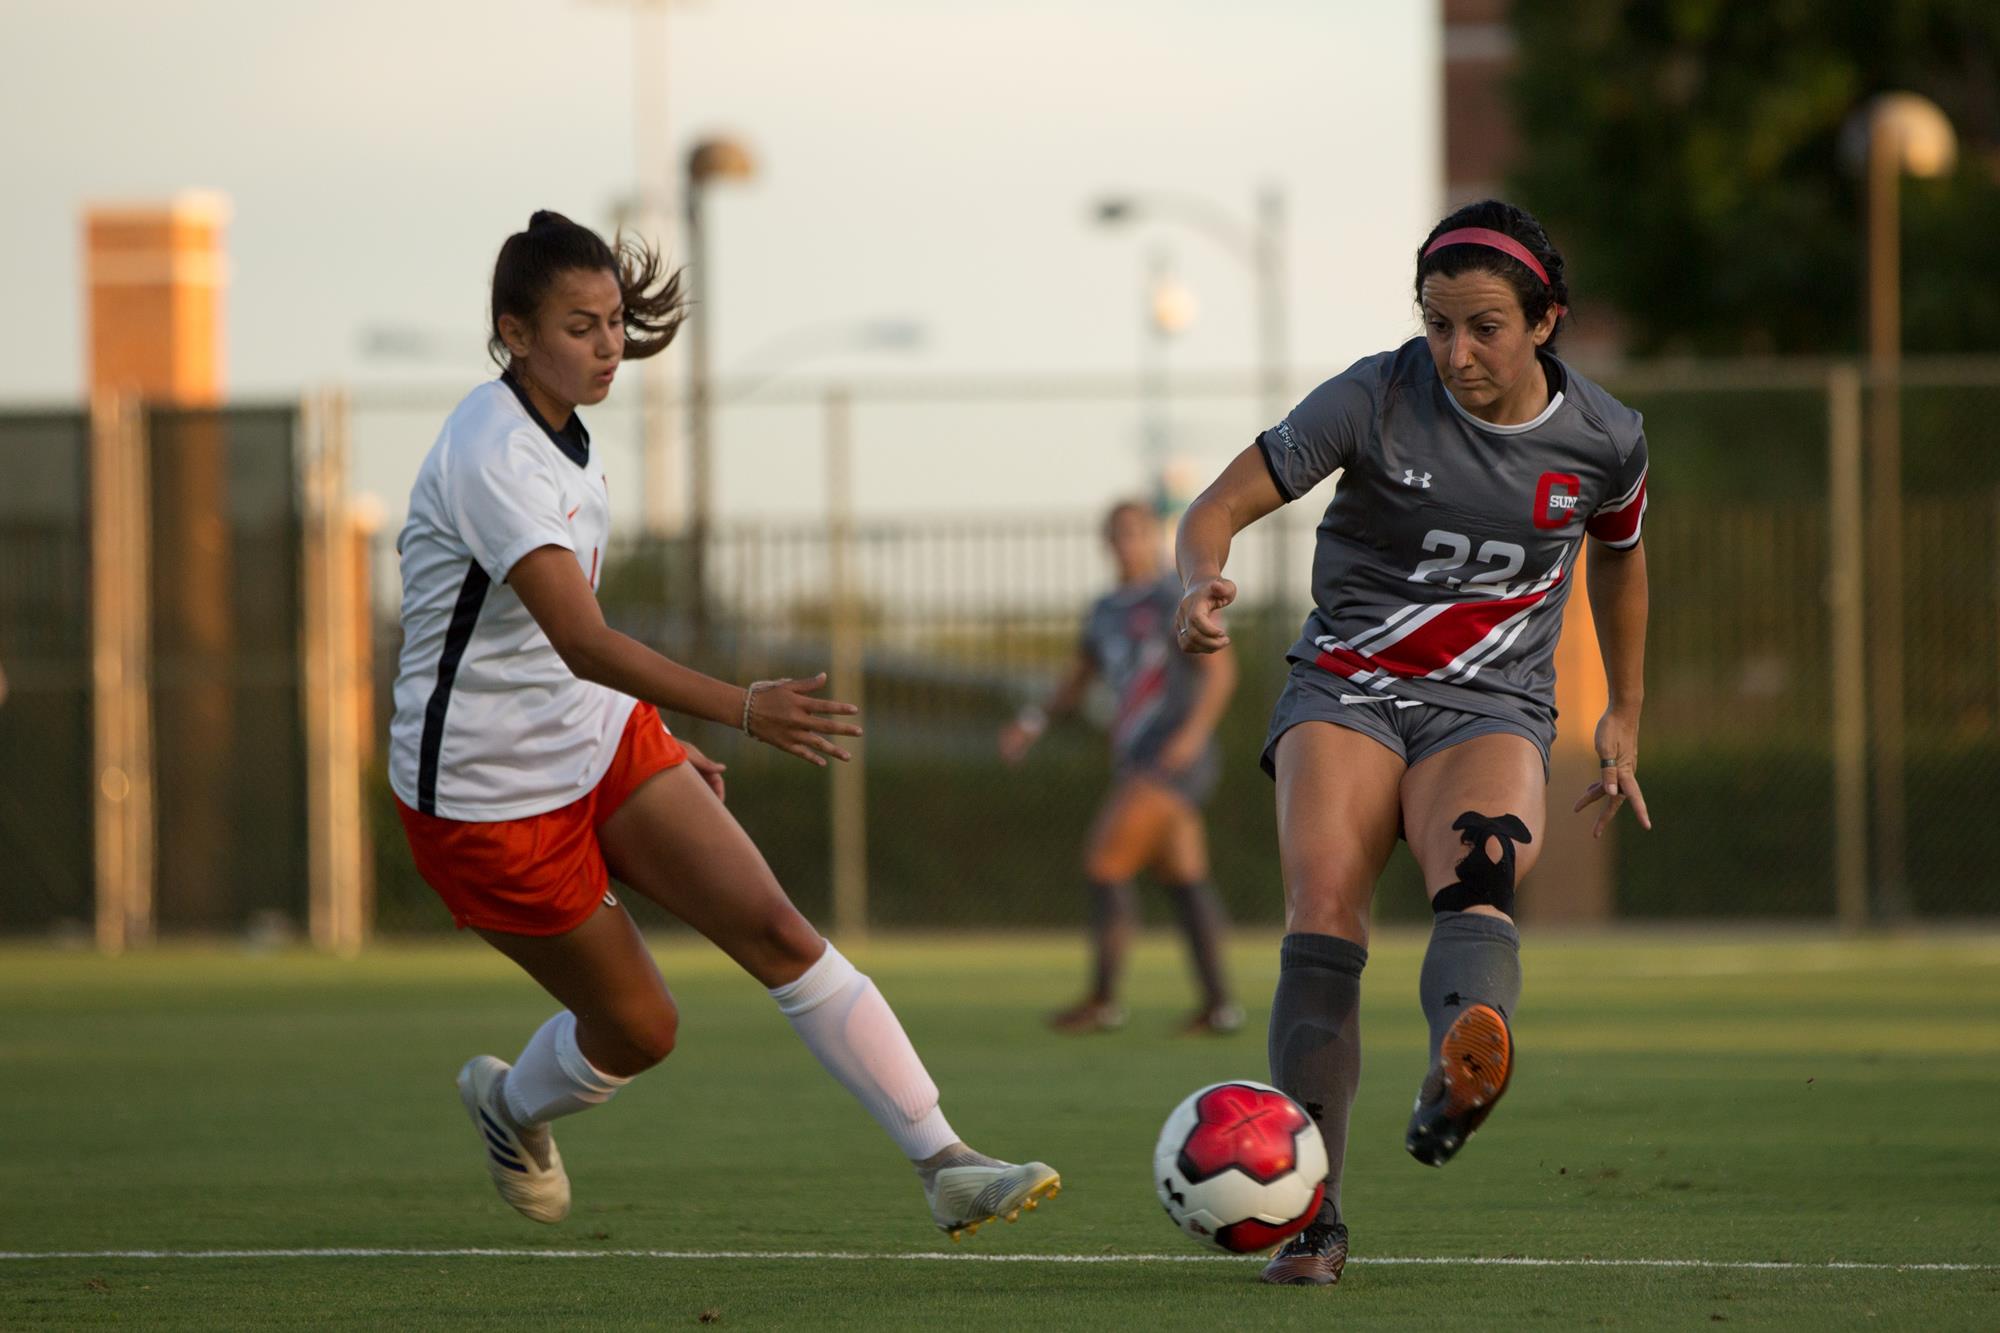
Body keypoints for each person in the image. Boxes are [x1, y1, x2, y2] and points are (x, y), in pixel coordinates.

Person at [389, 211, 1057, 1241]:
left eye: (614, 322)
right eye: (579, 326)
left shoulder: (566, 433)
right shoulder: (491, 450)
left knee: (778, 930)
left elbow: (560, 660)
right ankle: (511, 1105)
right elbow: (580, 639)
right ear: (514, 334)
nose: (609, 346)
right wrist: (742, 706)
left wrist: (647, 729)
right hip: (488, 797)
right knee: (641, 1028)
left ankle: (945, 1161)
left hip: (597, 735)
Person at [1173, 200, 1651, 1286]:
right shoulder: (1373, 395)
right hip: (1346, 687)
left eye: (1484, 327)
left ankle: (1465, 1054)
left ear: (1545, 321)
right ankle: (1313, 1215)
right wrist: (1196, 580)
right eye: (1437, 324)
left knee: (1479, 878)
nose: (1455, 351)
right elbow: (1215, 506)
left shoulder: (1605, 438)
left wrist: (1623, 707)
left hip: (1490, 705)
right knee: (1322, 913)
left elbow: (1622, 558)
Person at [999, 500, 1241, 1035]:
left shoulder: (1176, 596)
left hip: (1170, 759)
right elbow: (1077, 679)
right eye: (1116, 534)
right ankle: (1220, 1006)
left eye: (1134, 532)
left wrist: (1192, 735)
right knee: (1183, 878)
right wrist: (1032, 722)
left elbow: (1221, 673)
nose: (1125, 543)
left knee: (1105, 861)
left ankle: (1103, 1001)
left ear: (1153, 537)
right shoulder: (1104, 610)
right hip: (1136, 759)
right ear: (1106, 542)